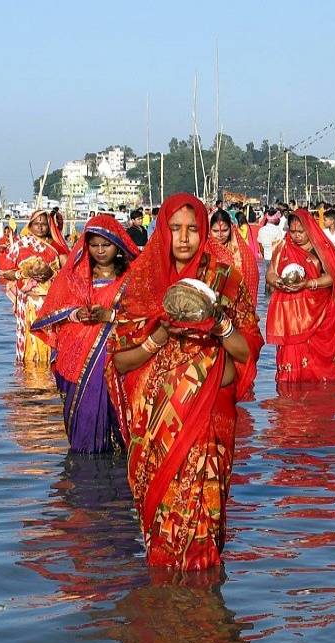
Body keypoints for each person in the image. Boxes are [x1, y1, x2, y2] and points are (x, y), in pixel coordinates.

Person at [110, 193, 263, 571]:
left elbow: (245, 351)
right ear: (162, 230)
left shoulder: (224, 280)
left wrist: (218, 323)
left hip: (209, 415)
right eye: (175, 228)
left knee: (204, 519)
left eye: (192, 229)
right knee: (162, 518)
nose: (183, 238)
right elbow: (120, 361)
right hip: (156, 423)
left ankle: (201, 586)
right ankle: (167, 589)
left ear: (204, 232)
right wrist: (158, 337)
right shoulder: (142, 282)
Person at [30, 215, 140, 452]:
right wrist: (76, 314)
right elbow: (59, 310)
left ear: (117, 244)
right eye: (94, 245)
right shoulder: (76, 277)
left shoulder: (131, 278)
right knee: (83, 424)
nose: (100, 251)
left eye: (106, 245)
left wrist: (109, 316)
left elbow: (143, 317)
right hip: (78, 355)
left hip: (116, 356)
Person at [264, 209, 335, 383]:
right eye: (293, 231)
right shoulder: (283, 247)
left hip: (316, 315)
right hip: (289, 319)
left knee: (315, 370)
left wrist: (308, 283)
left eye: (301, 231)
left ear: (309, 228)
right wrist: (278, 282)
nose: (296, 236)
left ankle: (318, 396)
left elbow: (333, 277)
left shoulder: (321, 249)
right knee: (290, 366)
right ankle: (288, 395)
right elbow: (270, 273)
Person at [0, 209, 69, 364]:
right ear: (30, 225)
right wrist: (22, 274)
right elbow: (4, 272)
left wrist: (51, 274)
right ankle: (30, 370)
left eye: (44, 224)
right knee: (31, 340)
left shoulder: (56, 246)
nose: (40, 227)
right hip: (28, 301)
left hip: (51, 301)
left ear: (49, 226)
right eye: (36, 224)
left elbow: (68, 272)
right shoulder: (20, 245)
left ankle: (48, 368)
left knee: (50, 339)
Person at [210, 208, 260, 303]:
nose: (220, 235)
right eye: (215, 231)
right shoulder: (206, 249)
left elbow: (252, 275)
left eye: (224, 230)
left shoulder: (242, 252)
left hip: (239, 303)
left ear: (231, 228)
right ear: (210, 230)